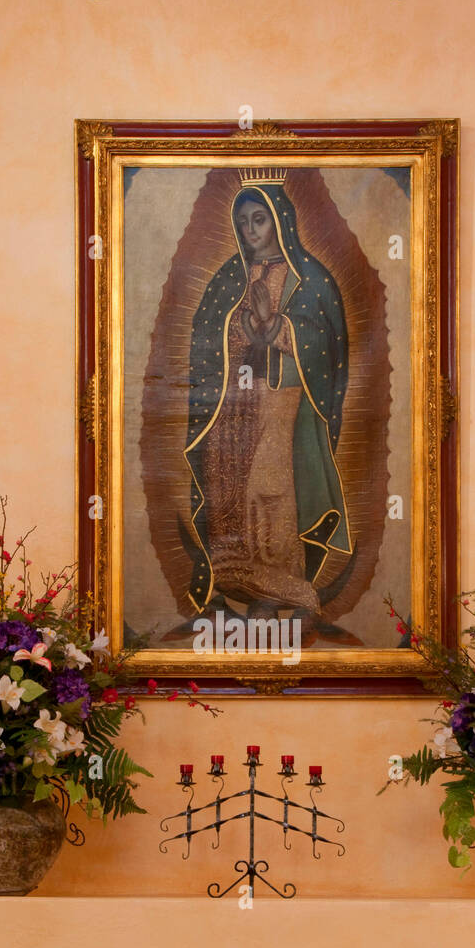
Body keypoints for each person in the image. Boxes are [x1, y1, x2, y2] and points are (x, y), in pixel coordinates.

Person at [183, 173, 352, 618]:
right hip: (230, 400)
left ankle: (285, 589)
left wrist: (273, 326)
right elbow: (206, 336)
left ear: (281, 221)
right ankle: (242, 587)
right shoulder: (229, 277)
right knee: (228, 491)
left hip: (281, 396)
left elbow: (324, 344)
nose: (251, 230)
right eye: (243, 222)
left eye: (260, 219)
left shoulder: (309, 278)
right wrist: (243, 328)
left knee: (268, 490)